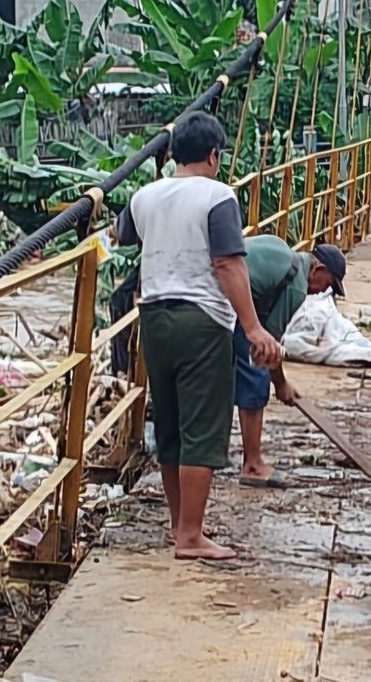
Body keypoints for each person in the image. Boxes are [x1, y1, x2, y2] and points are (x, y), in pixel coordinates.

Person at [114, 111, 281, 561]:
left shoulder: (144, 196)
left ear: (171, 156)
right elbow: (227, 264)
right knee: (201, 429)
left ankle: (178, 526)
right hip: (201, 320)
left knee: (168, 425)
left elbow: (119, 236)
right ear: (213, 155)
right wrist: (252, 327)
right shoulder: (217, 196)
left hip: (153, 319)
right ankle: (191, 536)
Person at [233, 236, 347, 488]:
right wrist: (281, 384)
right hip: (228, 294)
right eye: (326, 286)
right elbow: (267, 349)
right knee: (256, 375)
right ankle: (252, 465)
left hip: (212, 289)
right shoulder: (295, 286)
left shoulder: (281, 249)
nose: (320, 292)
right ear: (318, 270)